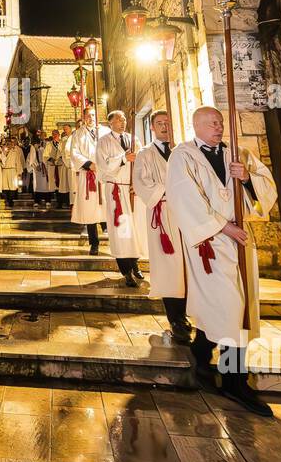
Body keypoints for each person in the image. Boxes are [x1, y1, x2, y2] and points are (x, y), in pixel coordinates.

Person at [166, 106, 277, 416]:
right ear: (196, 126)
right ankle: (233, 381)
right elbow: (183, 195)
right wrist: (223, 226)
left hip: (240, 239)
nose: (218, 126)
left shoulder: (238, 152)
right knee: (230, 308)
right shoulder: (183, 156)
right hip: (211, 241)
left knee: (234, 308)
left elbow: (266, 187)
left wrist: (248, 179)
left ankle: (201, 354)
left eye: (220, 121)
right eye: (211, 123)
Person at [132, 110, 192, 347]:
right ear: (153, 128)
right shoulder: (146, 154)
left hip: (188, 214)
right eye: (159, 123)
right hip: (164, 213)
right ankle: (176, 318)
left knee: (189, 265)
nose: (165, 126)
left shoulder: (185, 151)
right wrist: (168, 191)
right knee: (170, 267)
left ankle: (189, 312)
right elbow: (141, 182)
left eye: (168, 122)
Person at [96, 110, 148, 287]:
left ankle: (135, 264)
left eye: (124, 118)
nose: (122, 121)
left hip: (132, 190)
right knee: (122, 231)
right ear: (110, 123)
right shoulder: (103, 142)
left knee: (135, 229)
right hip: (116, 190)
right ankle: (126, 270)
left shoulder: (135, 140)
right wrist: (123, 158)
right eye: (118, 119)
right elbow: (104, 166)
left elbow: (142, 163)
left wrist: (139, 182)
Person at [67, 107, 107, 254]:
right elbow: (74, 153)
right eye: (88, 115)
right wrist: (89, 164)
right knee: (90, 209)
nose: (91, 118)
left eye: (93, 115)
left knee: (106, 205)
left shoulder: (105, 132)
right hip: (88, 174)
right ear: (83, 117)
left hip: (105, 174)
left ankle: (111, 235)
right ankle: (94, 243)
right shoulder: (78, 134)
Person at [0, 133, 25, 207]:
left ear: (12, 144)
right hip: (5, 170)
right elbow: (0, 161)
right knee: (5, 186)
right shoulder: (2, 152)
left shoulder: (15, 152)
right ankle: (6, 200)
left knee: (12, 186)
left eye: (10, 144)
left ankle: (11, 202)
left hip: (12, 171)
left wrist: (19, 172)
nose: (8, 145)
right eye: (7, 144)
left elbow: (18, 162)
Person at [29, 130, 53, 208]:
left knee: (47, 185)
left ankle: (48, 200)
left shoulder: (49, 144)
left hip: (47, 166)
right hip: (38, 167)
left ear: (45, 136)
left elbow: (50, 154)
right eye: (41, 135)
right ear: (39, 136)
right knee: (38, 185)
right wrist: (36, 165)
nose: (43, 137)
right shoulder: (35, 145)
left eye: (44, 135)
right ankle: (37, 201)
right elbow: (32, 156)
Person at [46, 129, 70, 209]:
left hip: (63, 166)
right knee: (56, 184)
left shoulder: (63, 143)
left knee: (64, 184)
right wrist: (51, 159)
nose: (54, 135)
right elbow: (45, 155)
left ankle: (66, 202)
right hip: (54, 167)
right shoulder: (49, 144)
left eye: (56, 134)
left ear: (59, 134)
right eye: (53, 134)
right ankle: (58, 202)